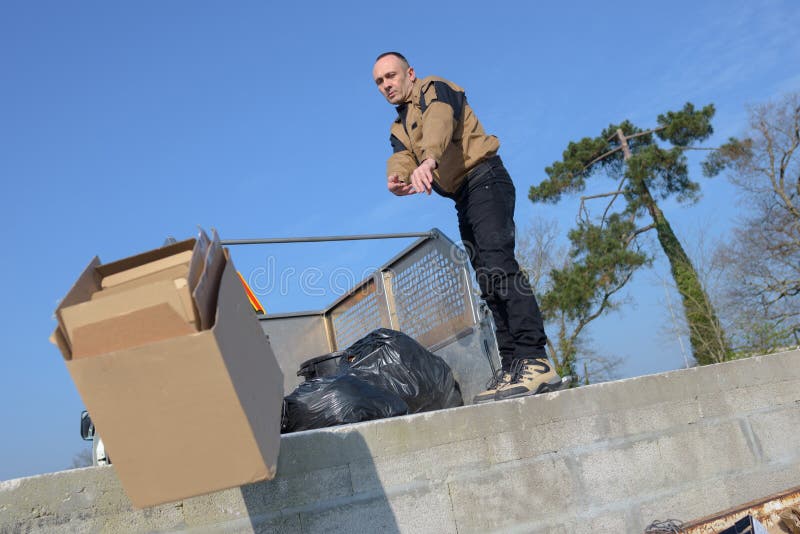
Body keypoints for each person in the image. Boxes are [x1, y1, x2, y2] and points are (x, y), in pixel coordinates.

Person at [372, 51, 563, 403]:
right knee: (487, 280)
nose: (386, 85)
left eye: (391, 76)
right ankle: (513, 365)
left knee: (499, 267)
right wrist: (395, 177)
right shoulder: (398, 126)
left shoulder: (433, 89)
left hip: (486, 180)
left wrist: (428, 159)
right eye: (380, 82)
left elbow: (440, 122)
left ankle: (536, 359)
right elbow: (400, 155)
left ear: (409, 73)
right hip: (464, 195)